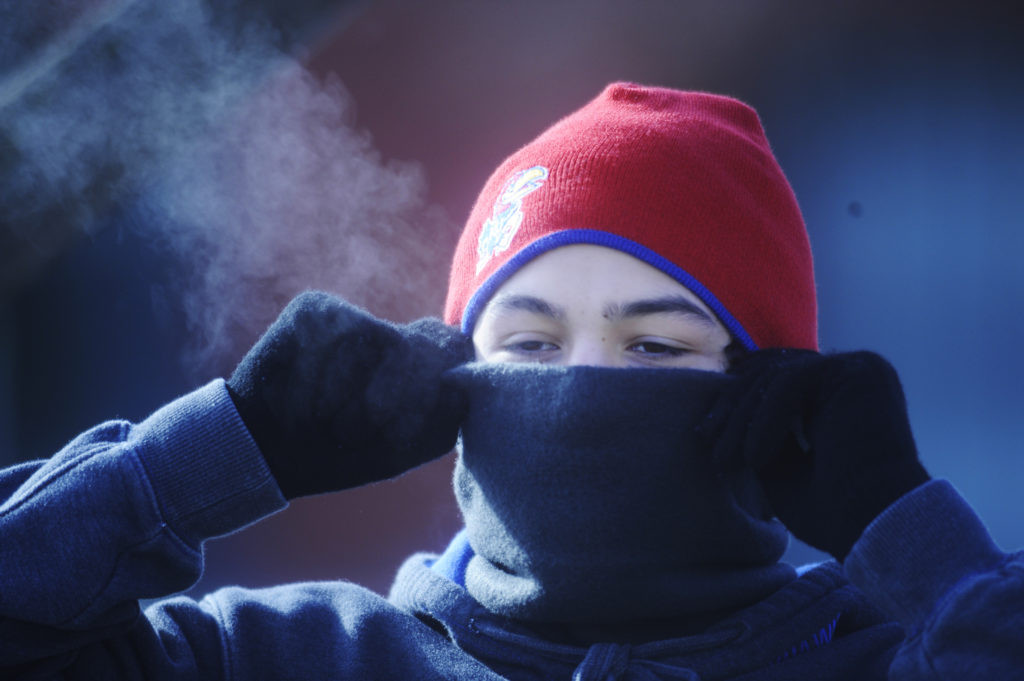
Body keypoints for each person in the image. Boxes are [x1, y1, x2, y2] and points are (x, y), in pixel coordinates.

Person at [1, 82, 1021, 680]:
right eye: (528, 346)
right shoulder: (295, 656)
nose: (580, 387)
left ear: (780, 399)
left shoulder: (891, 654)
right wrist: (210, 453)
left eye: (655, 349)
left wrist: (906, 528)